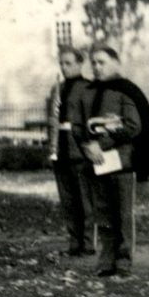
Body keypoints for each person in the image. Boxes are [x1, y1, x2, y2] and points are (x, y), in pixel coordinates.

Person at [83, 43, 149, 278]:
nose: (97, 67)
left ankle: (123, 260)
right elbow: (80, 126)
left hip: (121, 160)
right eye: (93, 62)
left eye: (102, 62)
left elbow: (133, 126)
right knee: (103, 212)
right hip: (95, 160)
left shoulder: (126, 91)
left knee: (122, 213)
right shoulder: (89, 92)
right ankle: (106, 260)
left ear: (116, 63)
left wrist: (102, 143)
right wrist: (87, 146)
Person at [46, 45, 95, 257]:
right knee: (67, 200)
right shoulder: (57, 89)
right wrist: (51, 149)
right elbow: (52, 120)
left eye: (69, 63)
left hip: (80, 150)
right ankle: (74, 243)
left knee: (85, 200)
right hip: (61, 150)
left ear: (79, 63)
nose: (64, 67)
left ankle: (88, 243)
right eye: (61, 64)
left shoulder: (89, 88)